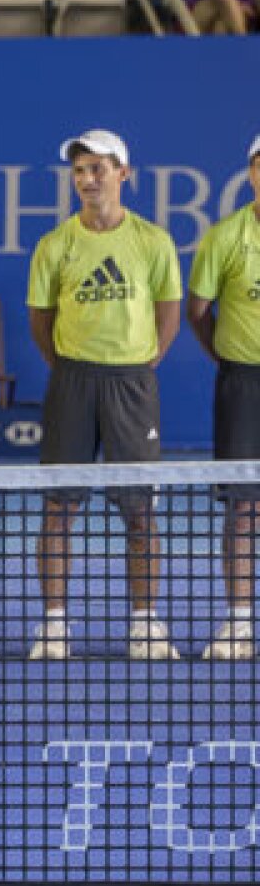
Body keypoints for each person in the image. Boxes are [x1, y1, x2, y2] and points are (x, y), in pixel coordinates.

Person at [27, 129, 182, 661]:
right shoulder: (54, 245)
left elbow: (168, 311)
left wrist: (139, 364)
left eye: (98, 168)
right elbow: (41, 320)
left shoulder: (153, 241)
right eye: (80, 171)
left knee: (140, 513)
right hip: (72, 383)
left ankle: (145, 626)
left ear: (123, 174)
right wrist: (73, 368)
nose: (88, 179)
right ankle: (53, 628)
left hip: (132, 385)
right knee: (58, 511)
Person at [186, 134, 260, 660]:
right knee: (241, 509)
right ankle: (238, 624)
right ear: (251, 172)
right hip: (243, 384)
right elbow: (197, 311)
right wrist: (230, 359)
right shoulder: (225, 237)